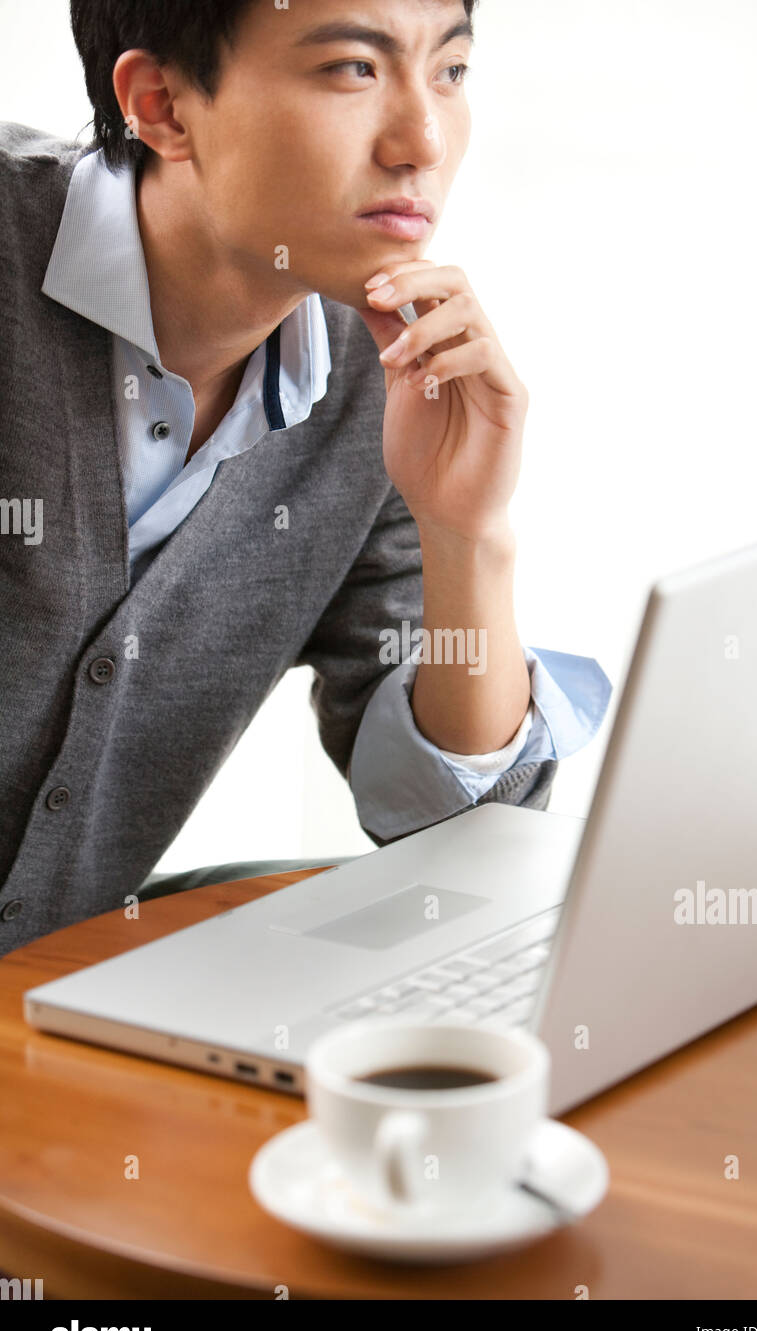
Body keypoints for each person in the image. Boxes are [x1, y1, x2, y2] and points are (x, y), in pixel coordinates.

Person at [0, 0, 611, 953]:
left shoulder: (385, 381)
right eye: (354, 70)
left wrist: (466, 534)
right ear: (160, 104)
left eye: (449, 71)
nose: (423, 141)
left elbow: (462, 837)